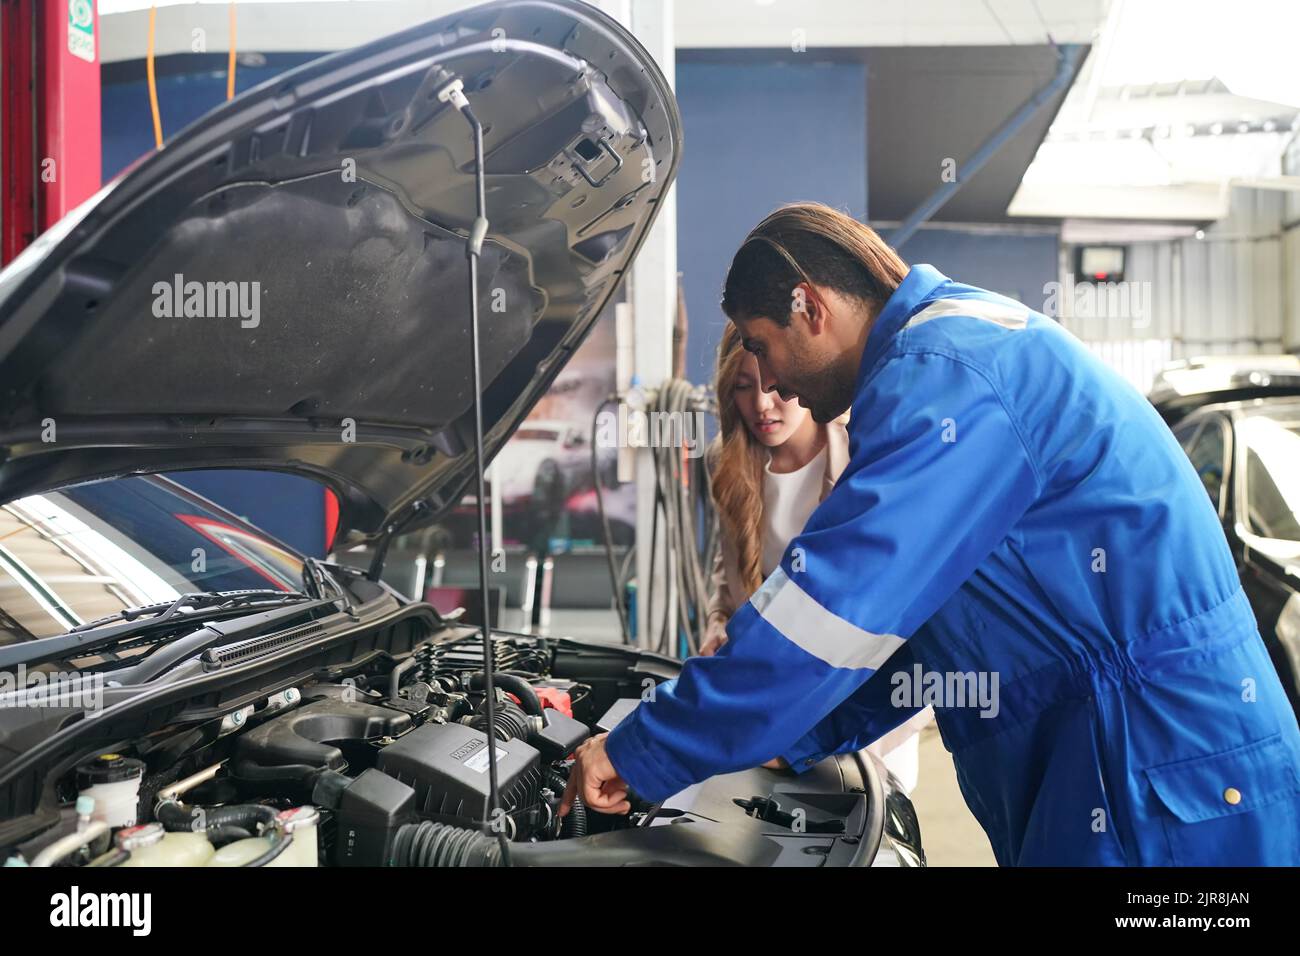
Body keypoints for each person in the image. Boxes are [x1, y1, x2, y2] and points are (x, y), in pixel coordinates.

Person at [560, 201, 1300, 866]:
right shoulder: (941, 352)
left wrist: (642, 749)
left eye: (761, 343)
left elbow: (831, 613)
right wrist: (786, 733)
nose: (769, 380)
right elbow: (913, 639)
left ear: (809, 306)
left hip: (1160, 769)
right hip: (1128, 758)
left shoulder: (943, 376)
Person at [703, 323, 930, 792]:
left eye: (772, 387)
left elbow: (908, 605)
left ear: (796, 375)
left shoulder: (864, 453)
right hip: (773, 701)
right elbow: (729, 578)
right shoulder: (726, 464)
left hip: (862, 702)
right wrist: (717, 625)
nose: (761, 405)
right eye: (743, 388)